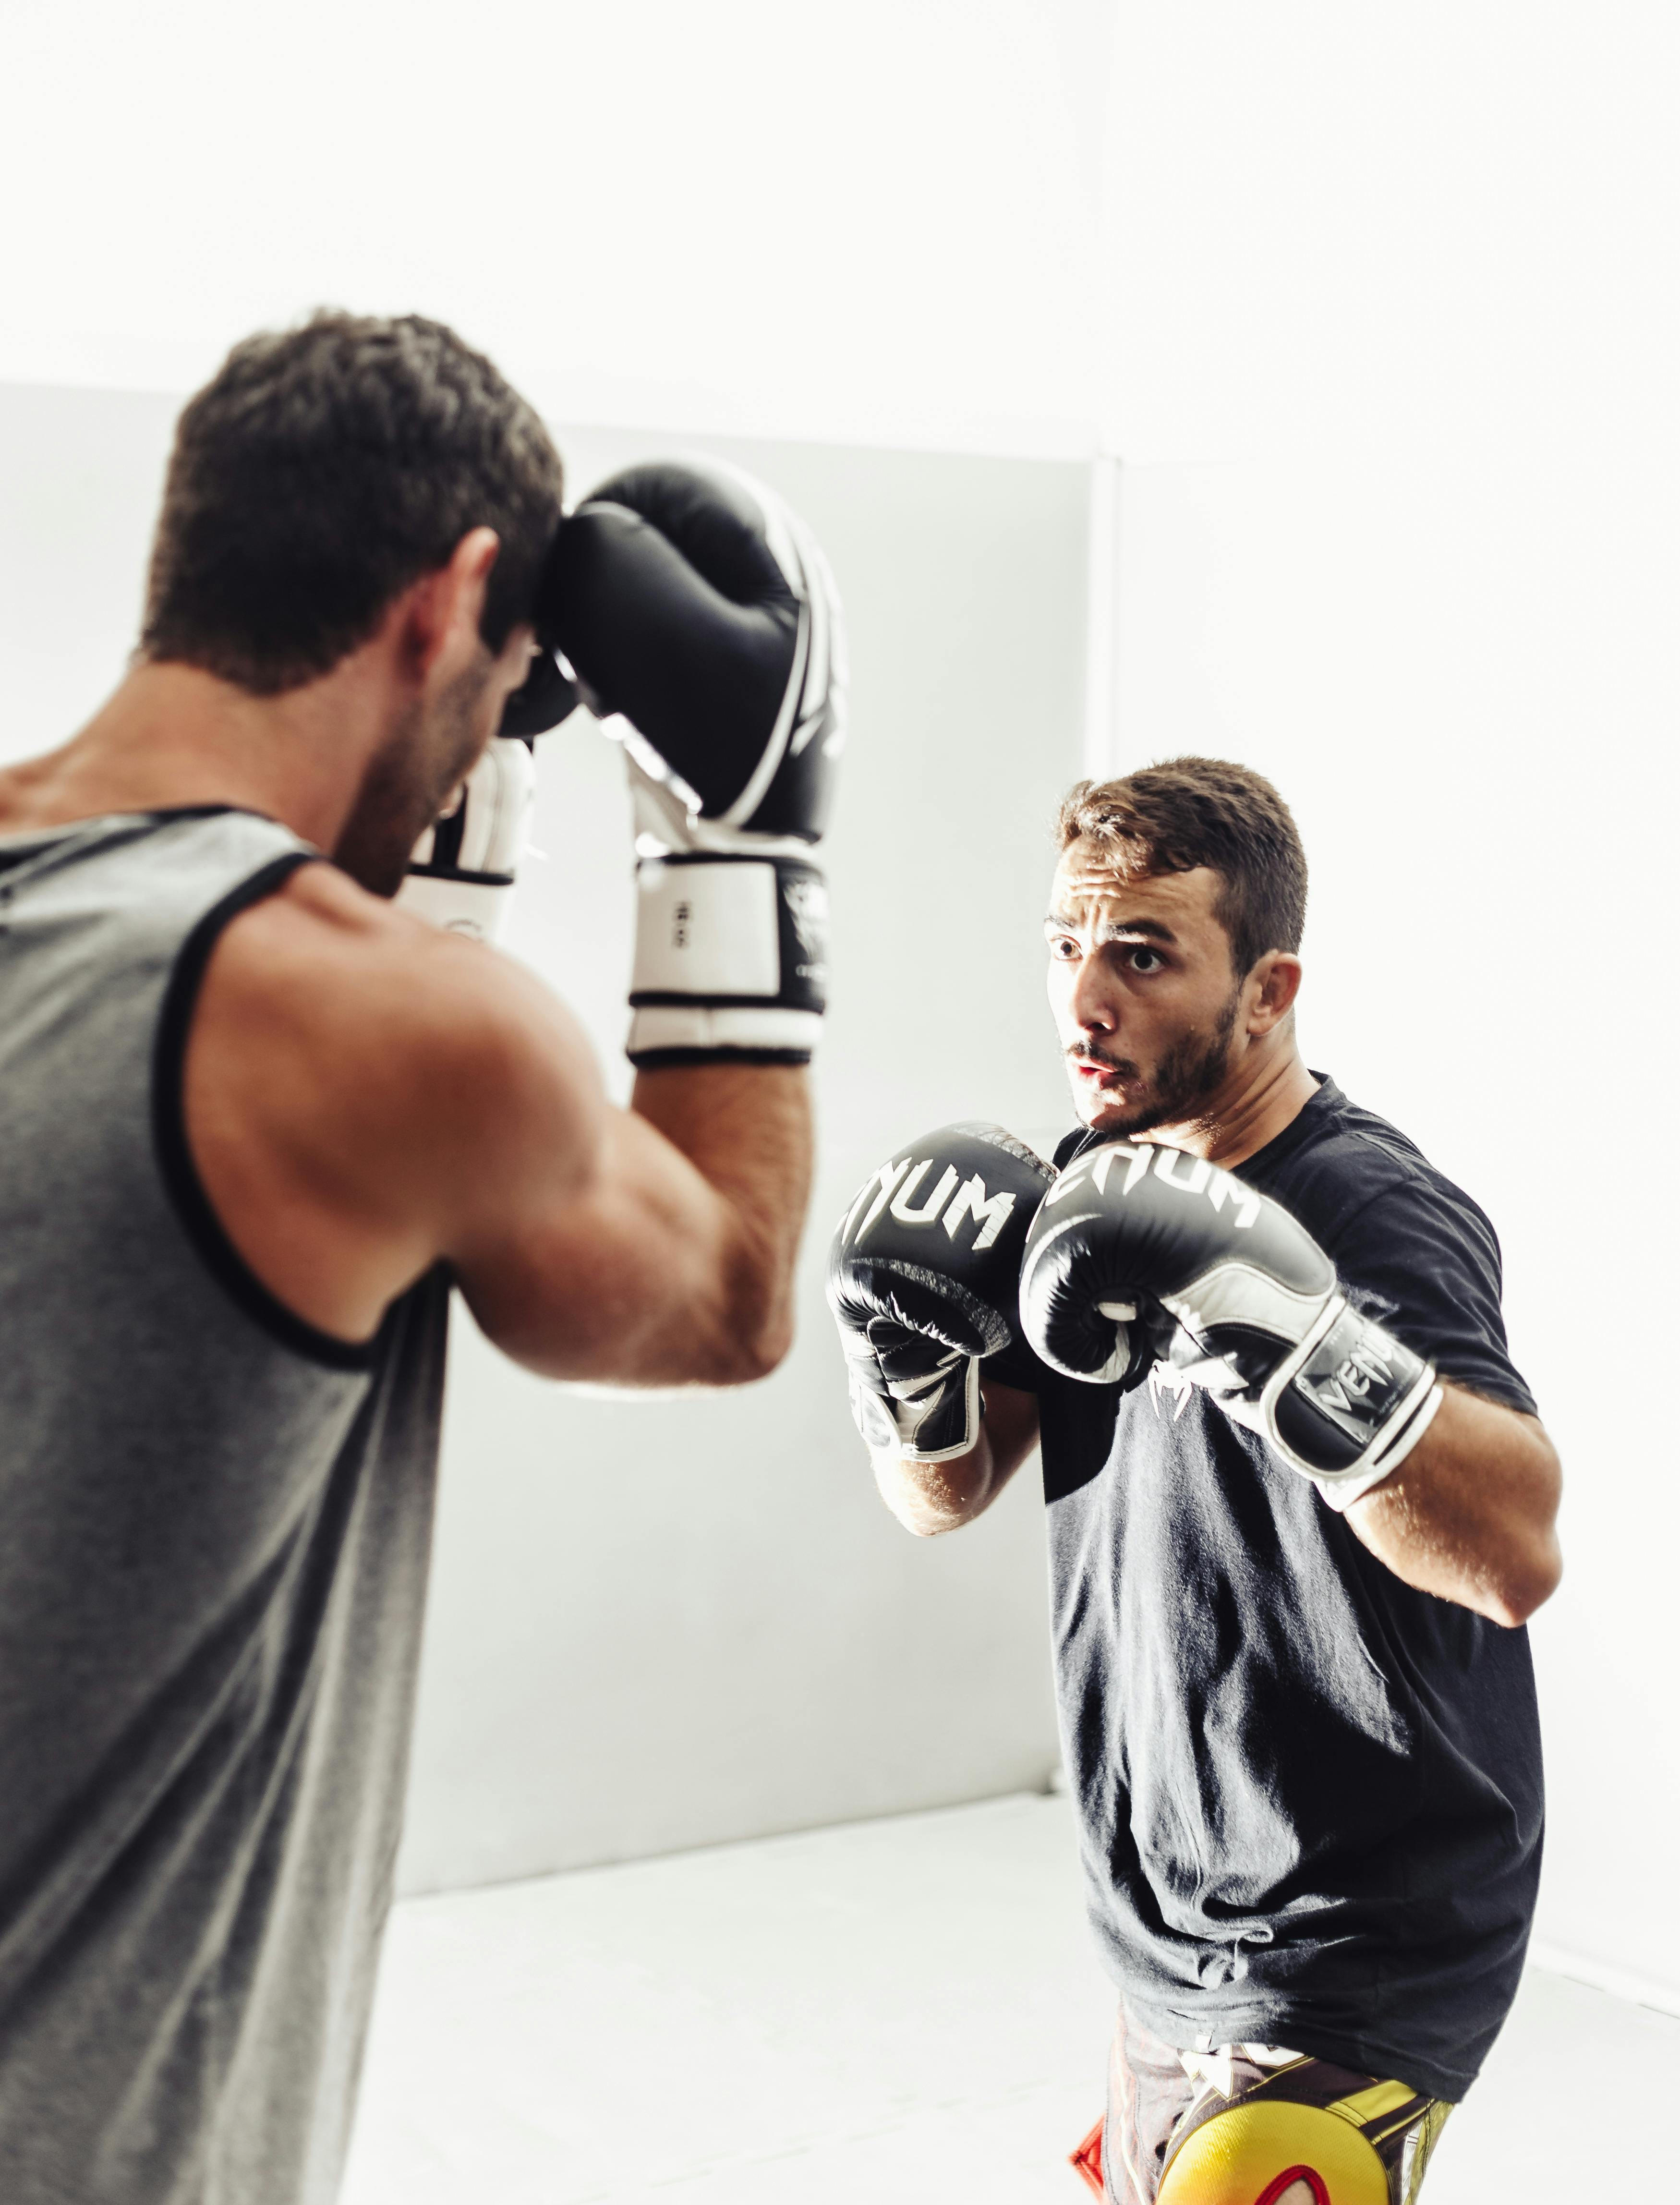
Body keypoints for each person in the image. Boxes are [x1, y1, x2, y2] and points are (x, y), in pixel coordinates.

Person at [0, 311, 844, 2205]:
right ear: (451, 600)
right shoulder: (375, 1036)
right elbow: (724, 1299)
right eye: (506, 669)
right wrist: (741, 843)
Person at [828, 757, 1558, 2205]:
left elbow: (1514, 1550)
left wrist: (1288, 1332)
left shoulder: (1364, 1206)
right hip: (1160, 1920)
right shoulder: (1080, 1197)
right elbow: (943, 1499)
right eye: (1068, 947)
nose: (1085, 1001)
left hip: (1354, 1935)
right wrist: (897, 1367)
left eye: (1144, 957)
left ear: (1271, 990)